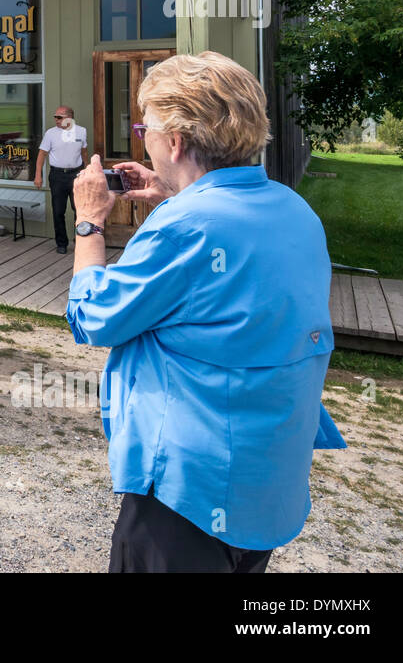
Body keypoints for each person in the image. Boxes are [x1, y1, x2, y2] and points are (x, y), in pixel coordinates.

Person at [64, 51, 346, 573]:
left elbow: (94, 316)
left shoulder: (184, 227)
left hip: (187, 491)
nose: (141, 135)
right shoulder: (294, 209)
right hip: (266, 482)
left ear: (174, 140)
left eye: (143, 126)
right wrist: (172, 191)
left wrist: (89, 224)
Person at [34, 104, 87, 253]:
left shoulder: (82, 132)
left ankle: (81, 242)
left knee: (79, 211)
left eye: (59, 117)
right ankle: (61, 244)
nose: (56, 120)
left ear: (69, 118)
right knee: (58, 211)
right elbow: (41, 155)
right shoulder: (50, 134)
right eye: (55, 117)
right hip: (57, 176)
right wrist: (38, 175)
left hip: (77, 175)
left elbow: (84, 153)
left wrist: (87, 171)